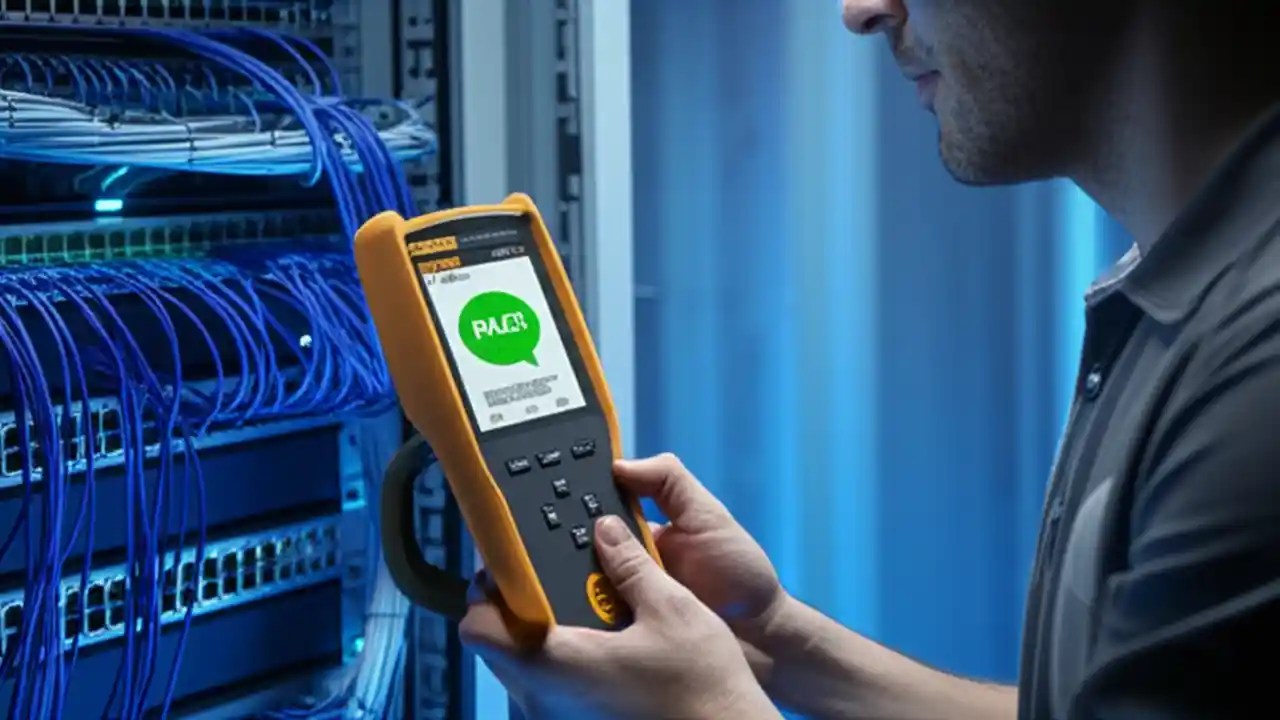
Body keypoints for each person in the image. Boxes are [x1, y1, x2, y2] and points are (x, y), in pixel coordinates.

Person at [460, 1, 1280, 718]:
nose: (861, 11)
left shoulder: (1259, 372)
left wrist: (701, 709)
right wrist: (773, 644)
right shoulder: (1195, 292)